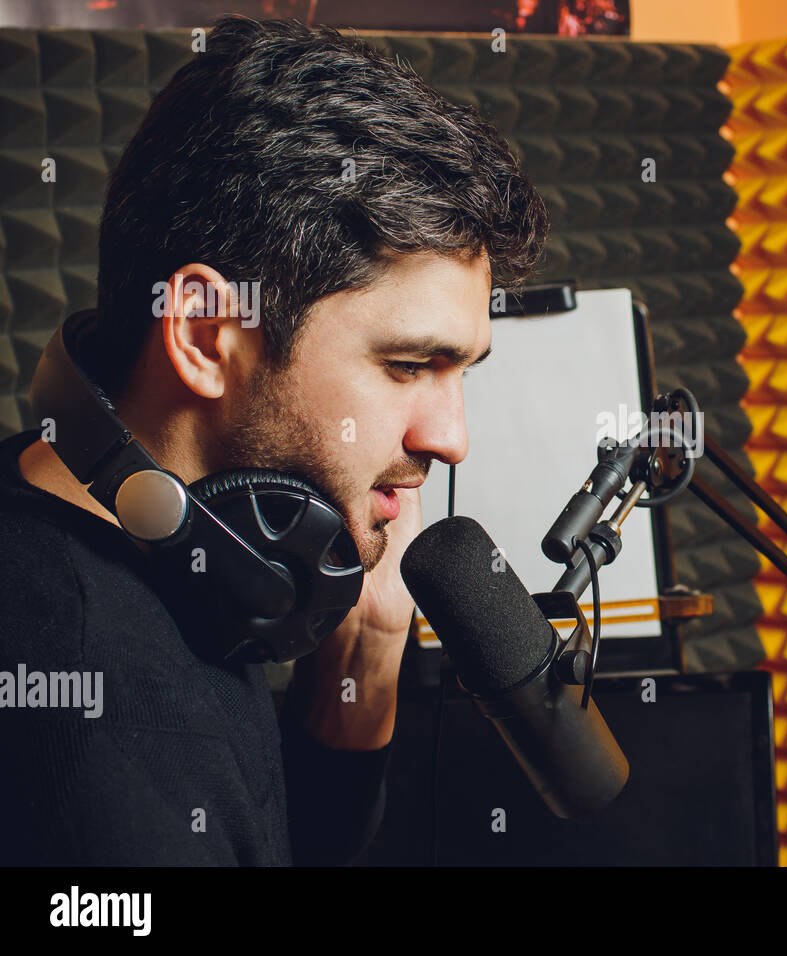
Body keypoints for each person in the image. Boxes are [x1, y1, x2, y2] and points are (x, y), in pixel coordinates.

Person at [0, 16, 548, 864]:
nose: (452, 439)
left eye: (462, 370)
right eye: (408, 365)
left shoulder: (197, 549)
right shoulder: (87, 734)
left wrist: (368, 648)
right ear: (207, 335)